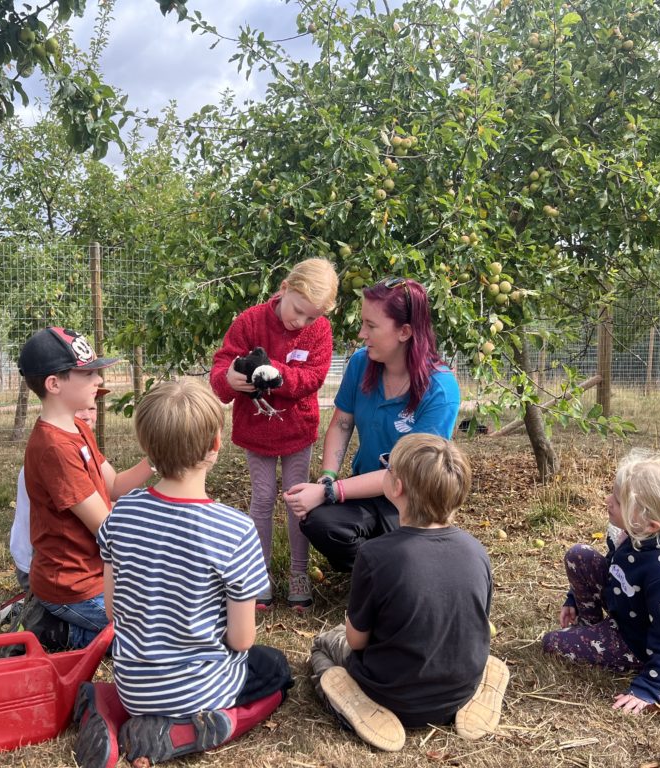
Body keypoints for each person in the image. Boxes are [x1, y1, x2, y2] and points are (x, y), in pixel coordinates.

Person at [72, 378, 293, 768]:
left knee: (139, 692)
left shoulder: (120, 515)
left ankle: (106, 706)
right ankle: (185, 732)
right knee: (274, 668)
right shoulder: (235, 531)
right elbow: (241, 640)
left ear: (147, 447)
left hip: (133, 686)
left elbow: (111, 611)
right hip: (199, 691)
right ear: (215, 445)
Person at [308, 433, 509, 750]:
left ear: (396, 487)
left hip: (389, 692)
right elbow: (478, 622)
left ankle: (356, 705)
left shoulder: (375, 555)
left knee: (322, 645)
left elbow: (357, 640)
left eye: (386, 467)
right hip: (460, 688)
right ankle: (480, 688)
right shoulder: (477, 551)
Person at [284, 277, 461, 571]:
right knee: (319, 523)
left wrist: (331, 492)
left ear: (405, 331)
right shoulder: (360, 364)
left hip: (411, 504)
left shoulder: (440, 389)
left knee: (408, 550)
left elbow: (403, 471)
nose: (362, 333)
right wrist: (328, 477)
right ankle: (382, 572)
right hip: (363, 493)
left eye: (371, 325)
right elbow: (341, 424)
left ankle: (394, 568)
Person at [541, 450, 660, 713]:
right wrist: (573, 599)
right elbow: (613, 565)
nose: (608, 500)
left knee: (551, 642)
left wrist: (650, 688)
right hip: (624, 604)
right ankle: (588, 625)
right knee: (579, 555)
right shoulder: (633, 533)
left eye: (619, 501)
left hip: (636, 641)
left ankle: (618, 650)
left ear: (651, 525)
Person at [210, 258, 338, 610]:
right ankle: (259, 575)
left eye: (311, 317)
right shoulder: (250, 321)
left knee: (298, 503)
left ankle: (298, 572)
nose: (302, 322)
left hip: (298, 431)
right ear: (285, 288)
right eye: (298, 311)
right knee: (263, 499)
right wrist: (230, 378)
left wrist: (273, 372)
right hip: (257, 432)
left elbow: (313, 378)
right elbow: (223, 366)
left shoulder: (320, 331)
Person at [17, 327, 153, 650]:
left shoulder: (77, 427)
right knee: (146, 634)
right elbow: (108, 528)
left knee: (153, 617)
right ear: (54, 384)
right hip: (73, 586)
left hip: (94, 575)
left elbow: (115, 485)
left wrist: (159, 459)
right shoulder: (54, 449)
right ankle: (57, 634)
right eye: (88, 373)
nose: (98, 381)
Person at [8, 393, 105, 594]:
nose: (87, 416)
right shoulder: (58, 452)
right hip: (49, 571)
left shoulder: (79, 440)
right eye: (80, 408)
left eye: (92, 408)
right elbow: (104, 527)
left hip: (75, 564)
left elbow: (113, 489)